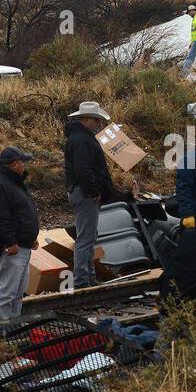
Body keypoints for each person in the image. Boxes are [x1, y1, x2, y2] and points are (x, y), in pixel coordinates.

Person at [63, 101, 121, 288]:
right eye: (96, 119)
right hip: (85, 193)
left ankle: (87, 277)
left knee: (88, 236)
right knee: (86, 238)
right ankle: (82, 280)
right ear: (87, 119)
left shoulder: (79, 138)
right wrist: (93, 191)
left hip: (81, 192)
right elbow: (83, 169)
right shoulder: (82, 140)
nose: (98, 123)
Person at [0, 146, 38, 323]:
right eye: (22, 162)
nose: (24, 165)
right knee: (6, 293)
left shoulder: (13, 183)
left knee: (17, 293)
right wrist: (10, 242)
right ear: (14, 164)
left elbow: (21, 213)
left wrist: (30, 238)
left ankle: (13, 328)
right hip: (11, 248)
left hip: (21, 245)